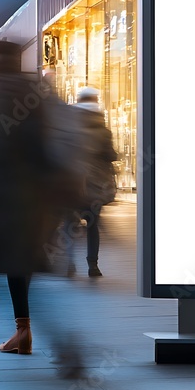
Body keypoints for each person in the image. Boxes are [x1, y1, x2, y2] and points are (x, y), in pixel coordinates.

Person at [0, 41, 54, 356]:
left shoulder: (4, 94)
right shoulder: (30, 90)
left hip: (11, 195)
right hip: (31, 194)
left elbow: (0, 144)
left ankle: (30, 333)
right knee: (22, 261)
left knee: (17, 262)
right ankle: (24, 331)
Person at [65, 87, 118, 277]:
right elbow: (111, 155)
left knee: (69, 224)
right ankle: (93, 266)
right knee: (93, 225)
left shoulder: (69, 126)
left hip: (73, 183)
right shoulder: (103, 130)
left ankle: (69, 263)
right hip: (95, 186)